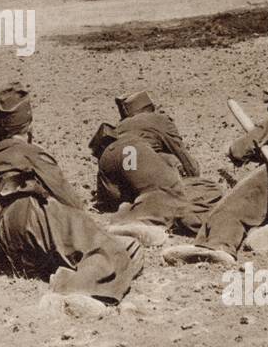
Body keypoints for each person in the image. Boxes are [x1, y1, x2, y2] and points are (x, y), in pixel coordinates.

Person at [0, 86, 143, 303]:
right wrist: (87, 228)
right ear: (29, 125)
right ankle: (69, 291)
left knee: (75, 253)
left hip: (8, 238)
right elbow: (69, 200)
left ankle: (67, 274)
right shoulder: (32, 153)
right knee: (116, 254)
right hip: (33, 215)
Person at [164, 88, 268, 266]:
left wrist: (232, 150)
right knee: (254, 211)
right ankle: (261, 232)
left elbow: (238, 151)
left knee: (233, 206)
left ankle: (218, 246)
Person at [89, 90, 223, 240]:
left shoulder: (120, 127)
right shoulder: (158, 119)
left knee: (145, 193)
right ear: (150, 108)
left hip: (107, 159)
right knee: (173, 194)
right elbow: (188, 164)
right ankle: (134, 222)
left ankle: (127, 212)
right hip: (133, 151)